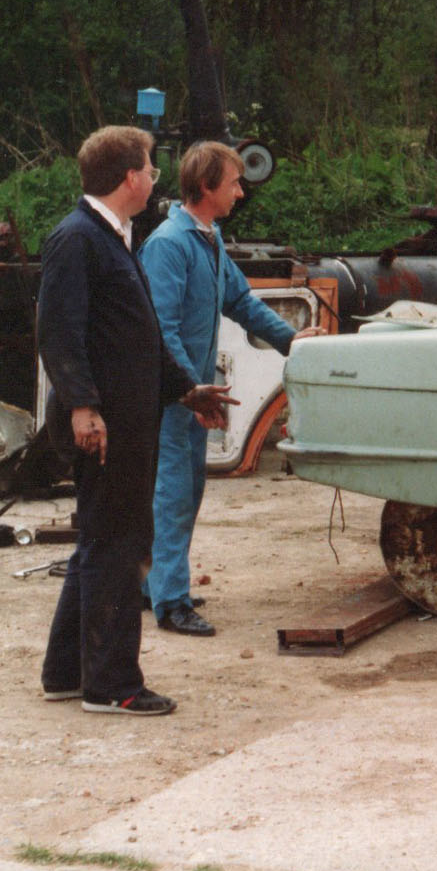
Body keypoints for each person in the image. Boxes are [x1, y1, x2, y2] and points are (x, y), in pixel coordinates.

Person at [38, 126, 236, 715]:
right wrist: (82, 407)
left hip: (127, 419)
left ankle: (67, 673)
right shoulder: (76, 239)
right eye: (150, 169)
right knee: (119, 546)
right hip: (103, 424)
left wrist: (186, 390)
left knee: (100, 542)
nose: (155, 178)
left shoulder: (117, 236)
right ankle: (113, 685)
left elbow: (139, 337)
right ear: (129, 178)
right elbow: (59, 330)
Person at [139, 141, 320, 637]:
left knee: (187, 488)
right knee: (173, 492)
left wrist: (292, 339)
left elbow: (241, 301)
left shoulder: (209, 238)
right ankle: (171, 603)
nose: (241, 192)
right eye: (234, 183)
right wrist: (188, 389)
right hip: (172, 394)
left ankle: (155, 584)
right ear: (205, 187)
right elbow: (162, 329)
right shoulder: (170, 245)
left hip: (192, 391)